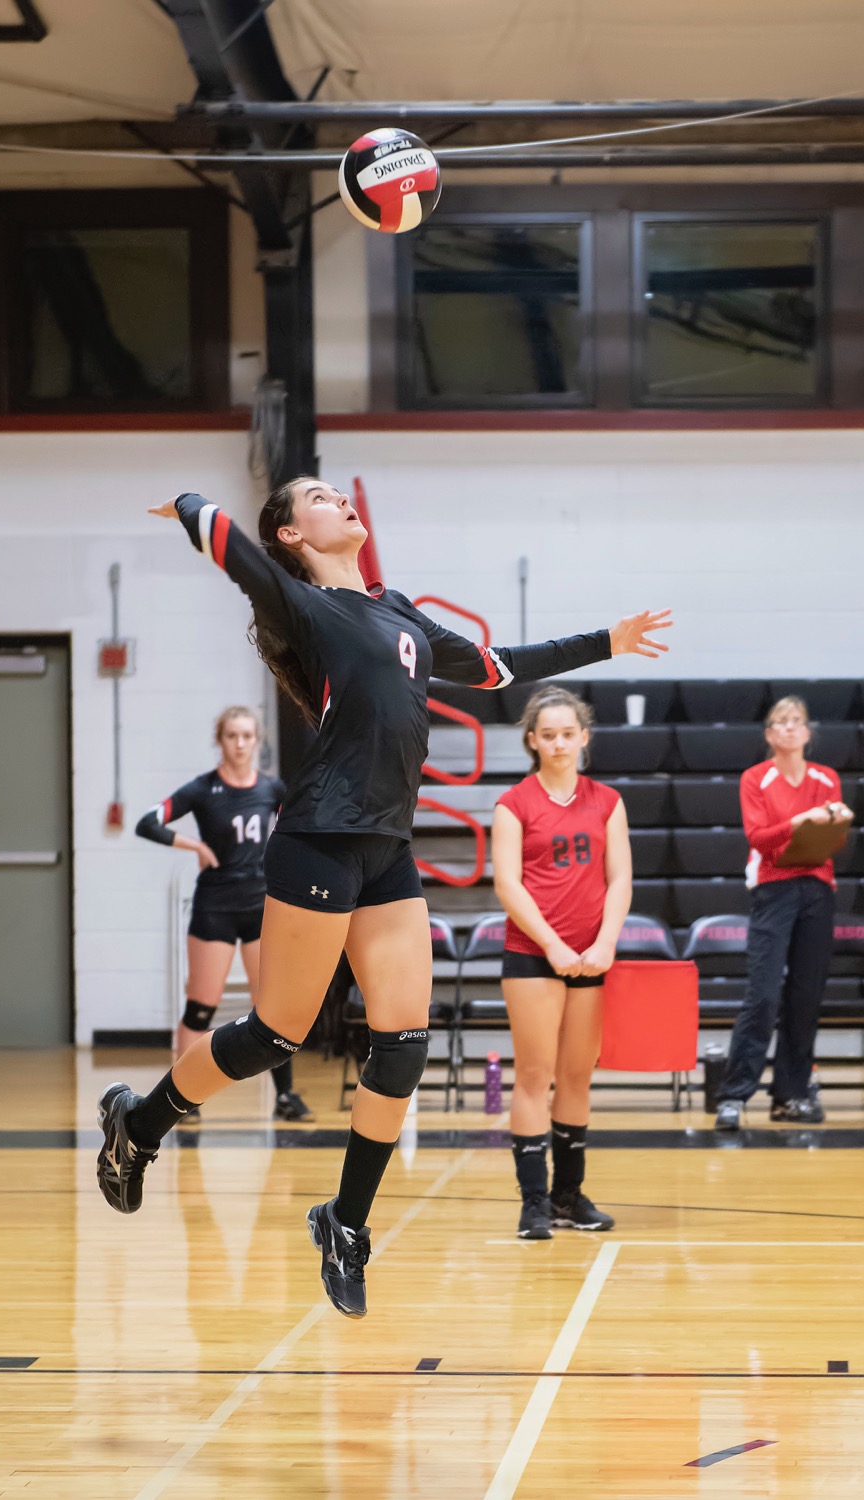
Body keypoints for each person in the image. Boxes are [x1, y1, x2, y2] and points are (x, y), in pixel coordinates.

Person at [96, 478, 671, 1317]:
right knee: (274, 1033)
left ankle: (346, 1222)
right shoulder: (300, 603)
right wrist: (188, 504)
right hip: (321, 836)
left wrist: (605, 642)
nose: (342, 500)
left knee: (403, 1043)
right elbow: (230, 548)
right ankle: (140, 1126)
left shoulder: (397, 610)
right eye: (320, 497)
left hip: (387, 847)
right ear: (294, 534)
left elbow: (497, 667)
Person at [492, 687, 632, 1240]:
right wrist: (552, 944)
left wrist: (606, 943)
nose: (558, 742)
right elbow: (508, 883)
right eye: (547, 734)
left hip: (592, 954)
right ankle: (533, 1204)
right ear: (532, 740)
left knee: (576, 1076)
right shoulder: (514, 803)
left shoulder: (608, 801)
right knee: (534, 1076)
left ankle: (568, 1198)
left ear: (583, 738)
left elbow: (620, 878)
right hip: (532, 954)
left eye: (567, 733)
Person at [135, 704, 312, 1122]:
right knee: (200, 1006)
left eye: (247, 736)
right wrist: (193, 846)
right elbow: (147, 822)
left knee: (274, 1006)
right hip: (215, 908)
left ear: (257, 741)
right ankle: (181, 1099)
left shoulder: (272, 789)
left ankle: (284, 1096)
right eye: (232, 735)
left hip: (259, 907)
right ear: (220, 740)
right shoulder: (202, 789)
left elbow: (304, 825)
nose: (239, 743)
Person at [715, 695, 854, 1130]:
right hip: (773, 890)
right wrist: (802, 821)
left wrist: (834, 819)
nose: (790, 727)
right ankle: (734, 1095)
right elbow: (760, 839)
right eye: (781, 722)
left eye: (797, 721)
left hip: (817, 888)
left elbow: (832, 835)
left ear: (808, 733)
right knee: (763, 993)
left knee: (805, 996)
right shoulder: (756, 778)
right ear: (770, 735)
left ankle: (791, 1095)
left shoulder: (826, 777)